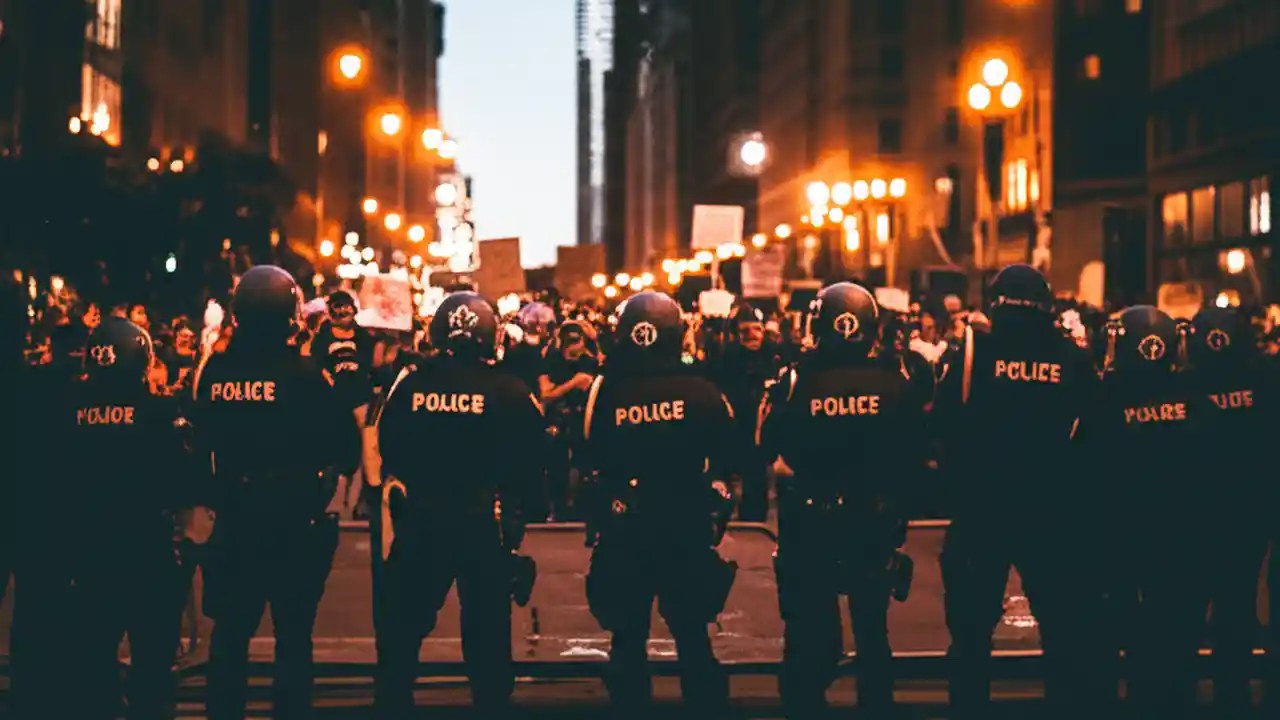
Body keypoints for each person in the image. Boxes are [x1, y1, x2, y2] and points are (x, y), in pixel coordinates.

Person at [933, 264, 1102, 719]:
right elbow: (1093, 433)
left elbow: (940, 422)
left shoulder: (971, 352)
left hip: (979, 509)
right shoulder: (1071, 357)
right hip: (1051, 512)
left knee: (969, 638)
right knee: (1063, 633)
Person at [191, 265, 357, 720]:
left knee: (228, 639)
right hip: (292, 524)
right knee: (293, 640)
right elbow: (345, 447)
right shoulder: (306, 375)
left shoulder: (215, 372)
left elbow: (199, 442)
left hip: (234, 519)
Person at [371, 292, 545, 717]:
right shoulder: (508, 389)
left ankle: (393, 701)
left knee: (404, 625)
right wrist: (523, 509)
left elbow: (388, 443)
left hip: (423, 519)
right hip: (483, 520)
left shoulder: (412, 384)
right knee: (486, 627)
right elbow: (533, 456)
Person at [757, 282, 927, 717]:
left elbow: (768, 444)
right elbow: (917, 449)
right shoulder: (896, 380)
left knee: (809, 637)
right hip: (874, 522)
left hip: (812, 524)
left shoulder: (796, 381)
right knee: (873, 633)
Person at [580, 291, 737, 718]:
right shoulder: (701, 389)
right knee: (691, 634)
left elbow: (590, 451)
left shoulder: (605, 389)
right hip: (684, 521)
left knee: (628, 637)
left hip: (626, 524)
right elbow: (727, 450)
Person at [1077, 305, 1210, 716]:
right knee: (1176, 626)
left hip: (1122, 532)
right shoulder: (1193, 395)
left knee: (1123, 626)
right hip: (1180, 531)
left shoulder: (1105, 397)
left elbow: (1086, 463)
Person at [64, 317, 197, 719]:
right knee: (153, 667)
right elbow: (182, 481)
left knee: (94, 662)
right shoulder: (159, 411)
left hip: (89, 553)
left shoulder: (69, 408)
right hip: (148, 552)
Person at [1180, 306, 1271, 714]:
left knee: (1186, 612)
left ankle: (1179, 703)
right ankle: (1233, 701)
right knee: (1237, 608)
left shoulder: (1182, 383)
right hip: (1248, 515)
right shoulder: (1264, 379)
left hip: (1196, 515)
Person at [709, 302, 783, 522]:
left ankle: (752, 518)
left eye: (756, 329)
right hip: (734, 426)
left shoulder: (773, 356)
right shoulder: (727, 359)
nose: (752, 335)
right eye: (745, 330)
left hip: (759, 430)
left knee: (755, 480)